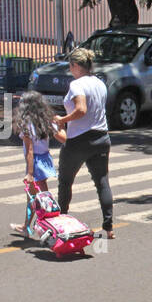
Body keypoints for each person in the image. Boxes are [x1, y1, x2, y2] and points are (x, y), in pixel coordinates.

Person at [53, 47, 114, 239]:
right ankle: (108, 227)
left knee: (65, 181)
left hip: (80, 140)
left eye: (71, 66)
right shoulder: (100, 83)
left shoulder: (77, 85)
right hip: (102, 137)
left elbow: (81, 109)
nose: (70, 70)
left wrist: (63, 120)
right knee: (102, 182)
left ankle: (62, 221)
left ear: (76, 65)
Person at [10, 91, 59, 238]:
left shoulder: (26, 124)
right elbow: (60, 135)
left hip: (36, 162)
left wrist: (30, 173)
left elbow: (30, 151)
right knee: (35, 197)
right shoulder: (46, 120)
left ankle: (52, 228)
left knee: (42, 200)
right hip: (45, 158)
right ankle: (26, 226)